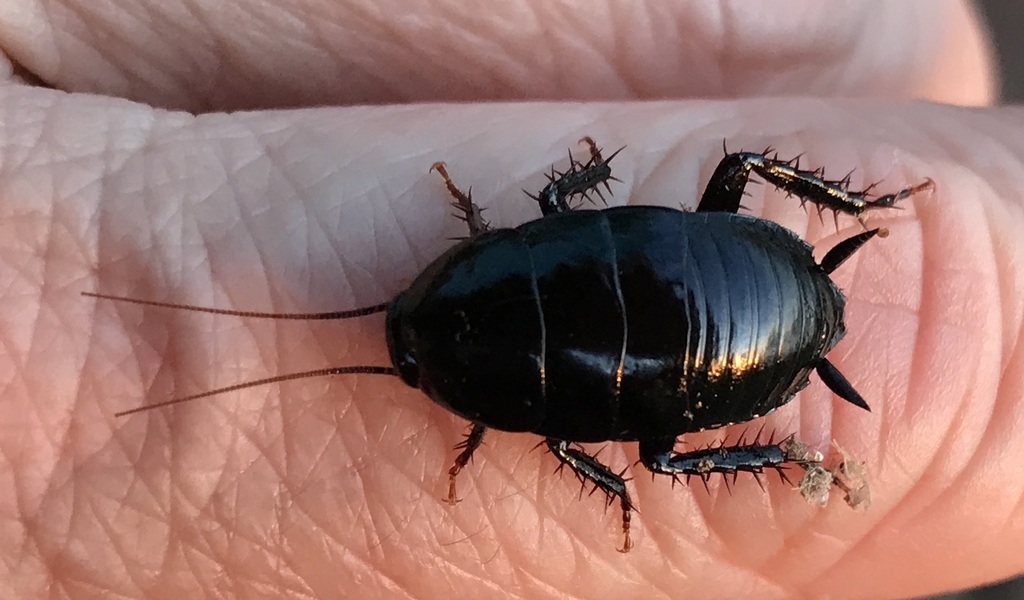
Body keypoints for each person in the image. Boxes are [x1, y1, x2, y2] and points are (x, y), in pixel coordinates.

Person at [0, 0, 1017, 597]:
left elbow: (586, 438)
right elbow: (557, 214)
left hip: (720, 336)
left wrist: (609, 483)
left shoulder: (507, 395)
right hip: (723, 279)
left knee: (653, 457)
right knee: (738, 167)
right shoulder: (480, 266)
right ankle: (863, 235)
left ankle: (795, 437)